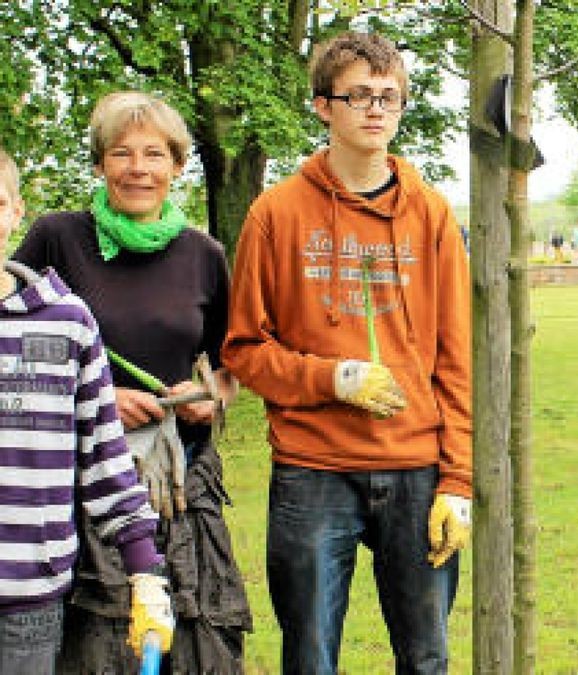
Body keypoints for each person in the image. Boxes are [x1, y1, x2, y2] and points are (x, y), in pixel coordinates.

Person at [222, 31, 472, 674]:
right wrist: (332, 378)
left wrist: (457, 481)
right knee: (310, 658)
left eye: (389, 96)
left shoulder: (432, 215)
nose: (376, 109)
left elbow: (455, 359)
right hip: (313, 469)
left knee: (427, 658)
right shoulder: (275, 214)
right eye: (359, 95)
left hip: (416, 469)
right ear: (322, 106)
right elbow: (243, 349)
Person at [11, 92, 248, 673]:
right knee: (99, 647)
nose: (138, 168)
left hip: (180, 481)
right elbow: (11, 340)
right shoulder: (56, 238)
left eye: (154, 154)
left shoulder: (204, 254)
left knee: (194, 643)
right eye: (121, 153)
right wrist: (99, 399)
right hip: (86, 482)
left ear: (177, 166)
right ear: (99, 164)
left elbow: (229, 365)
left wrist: (210, 400)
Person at [0, 148, 173, 671]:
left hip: (28, 603)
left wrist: (145, 575)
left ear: (16, 212)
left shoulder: (67, 321)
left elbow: (105, 459)